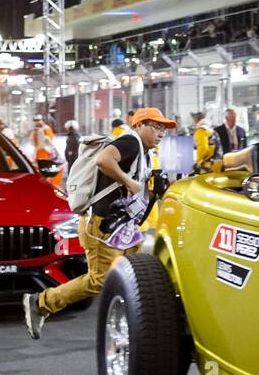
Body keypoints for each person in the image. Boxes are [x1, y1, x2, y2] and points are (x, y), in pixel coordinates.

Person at [22, 107, 175, 338]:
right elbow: (104, 160)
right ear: (139, 125)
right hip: (102, 226)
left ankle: (133, 322)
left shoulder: (143, 151)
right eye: (156, 126)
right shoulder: (130, 143)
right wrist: (129, 182)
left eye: (164, 128)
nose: (161, 132)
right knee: (99, 280)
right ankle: (41, 303)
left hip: (123, 227)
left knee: (133, 274)